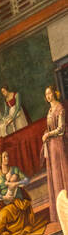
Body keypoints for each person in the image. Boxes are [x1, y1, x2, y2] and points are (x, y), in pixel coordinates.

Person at [0, 151, 47, 235]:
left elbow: (26, 180)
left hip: (16, 202)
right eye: (4, 157)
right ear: (0, 160)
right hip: (4, 200)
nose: (7, 158)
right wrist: (4, 197)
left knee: (4, 214)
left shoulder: (15, 170)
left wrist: (16, 184)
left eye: (7, 156)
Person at [42, 84, 68, 224]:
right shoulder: (50, 109)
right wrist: (47, 135)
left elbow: (61, 129)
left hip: (59, 146)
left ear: (54, 94)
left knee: (62, 175)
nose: (48, 96)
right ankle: (60, 214)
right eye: (46, 95)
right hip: (52, 146)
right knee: (55, 177)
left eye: (50, 93)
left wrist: (48, 135)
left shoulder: (60, 108)